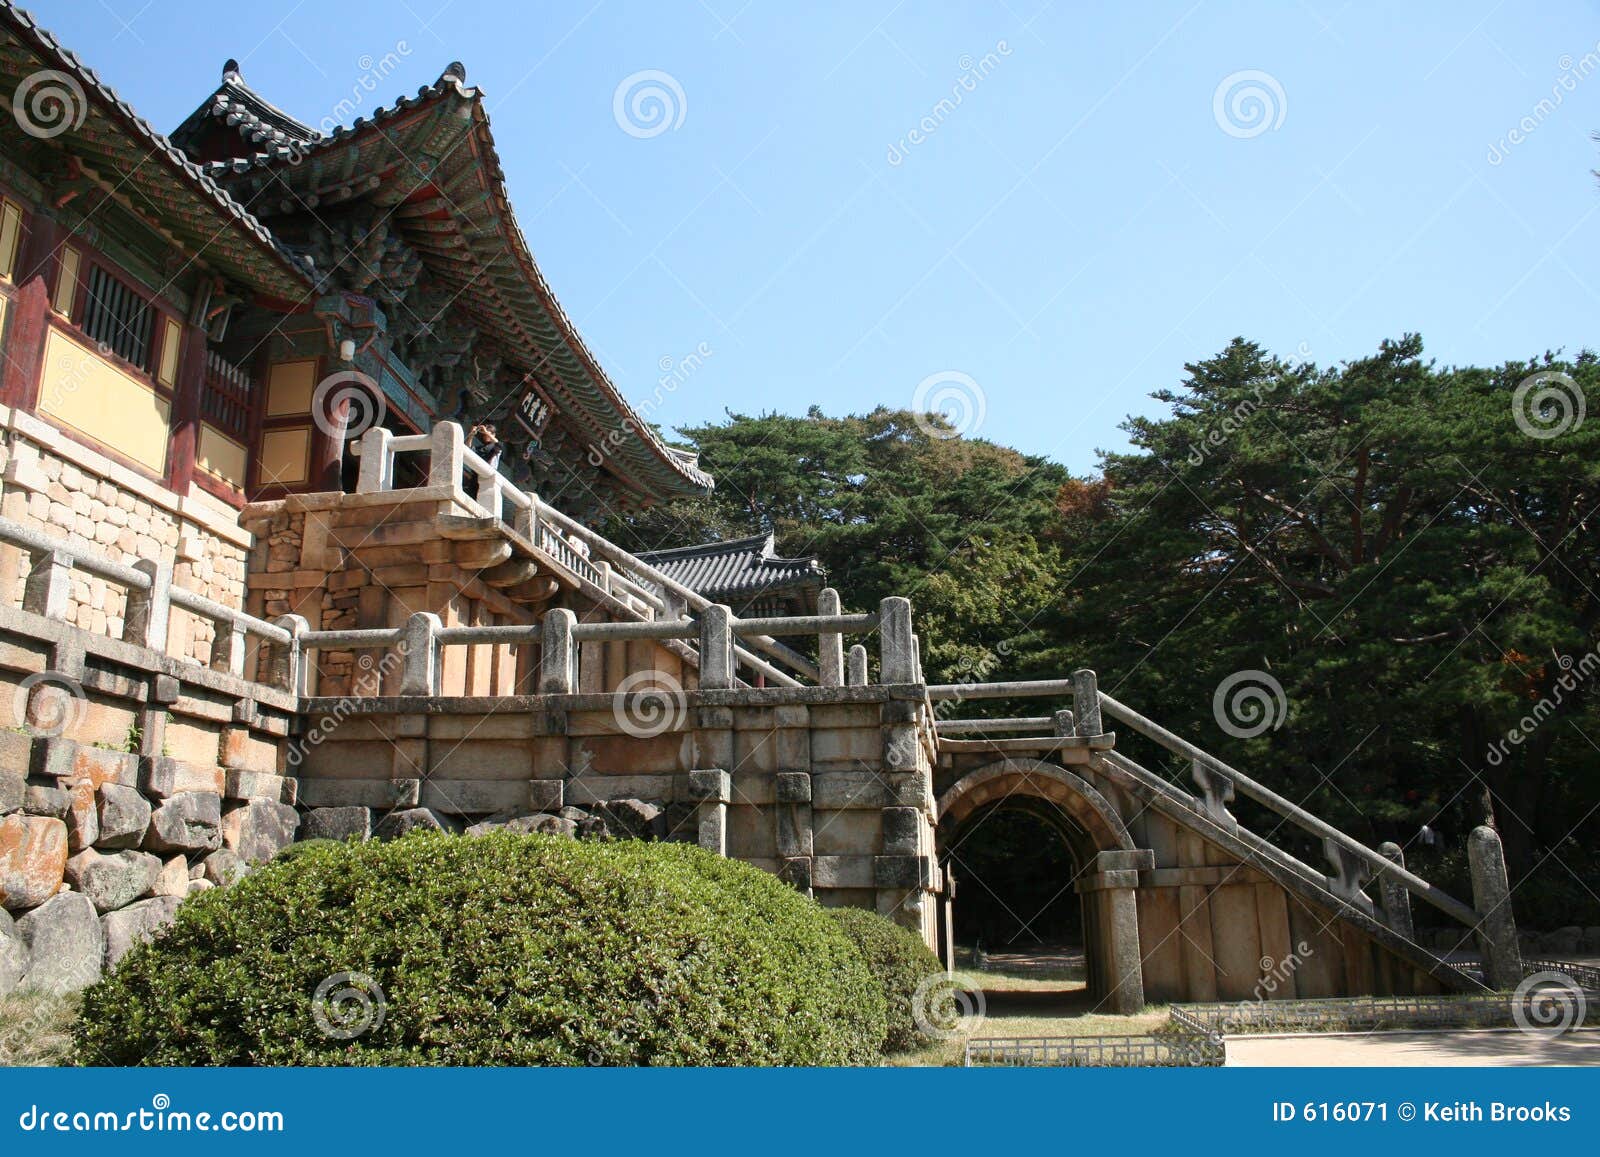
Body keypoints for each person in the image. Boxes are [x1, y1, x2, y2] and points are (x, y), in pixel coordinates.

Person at [463, 421, 501, 500]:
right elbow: (468, 449)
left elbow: (498, 444)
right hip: (476, 476)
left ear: (493, 434)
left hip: (487, 476)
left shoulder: (496, 447)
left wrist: (486, 432)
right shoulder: (482, 448)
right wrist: (471, 435)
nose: (485, 435)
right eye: (484, 434)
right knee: (470, 497)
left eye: (489, 433)